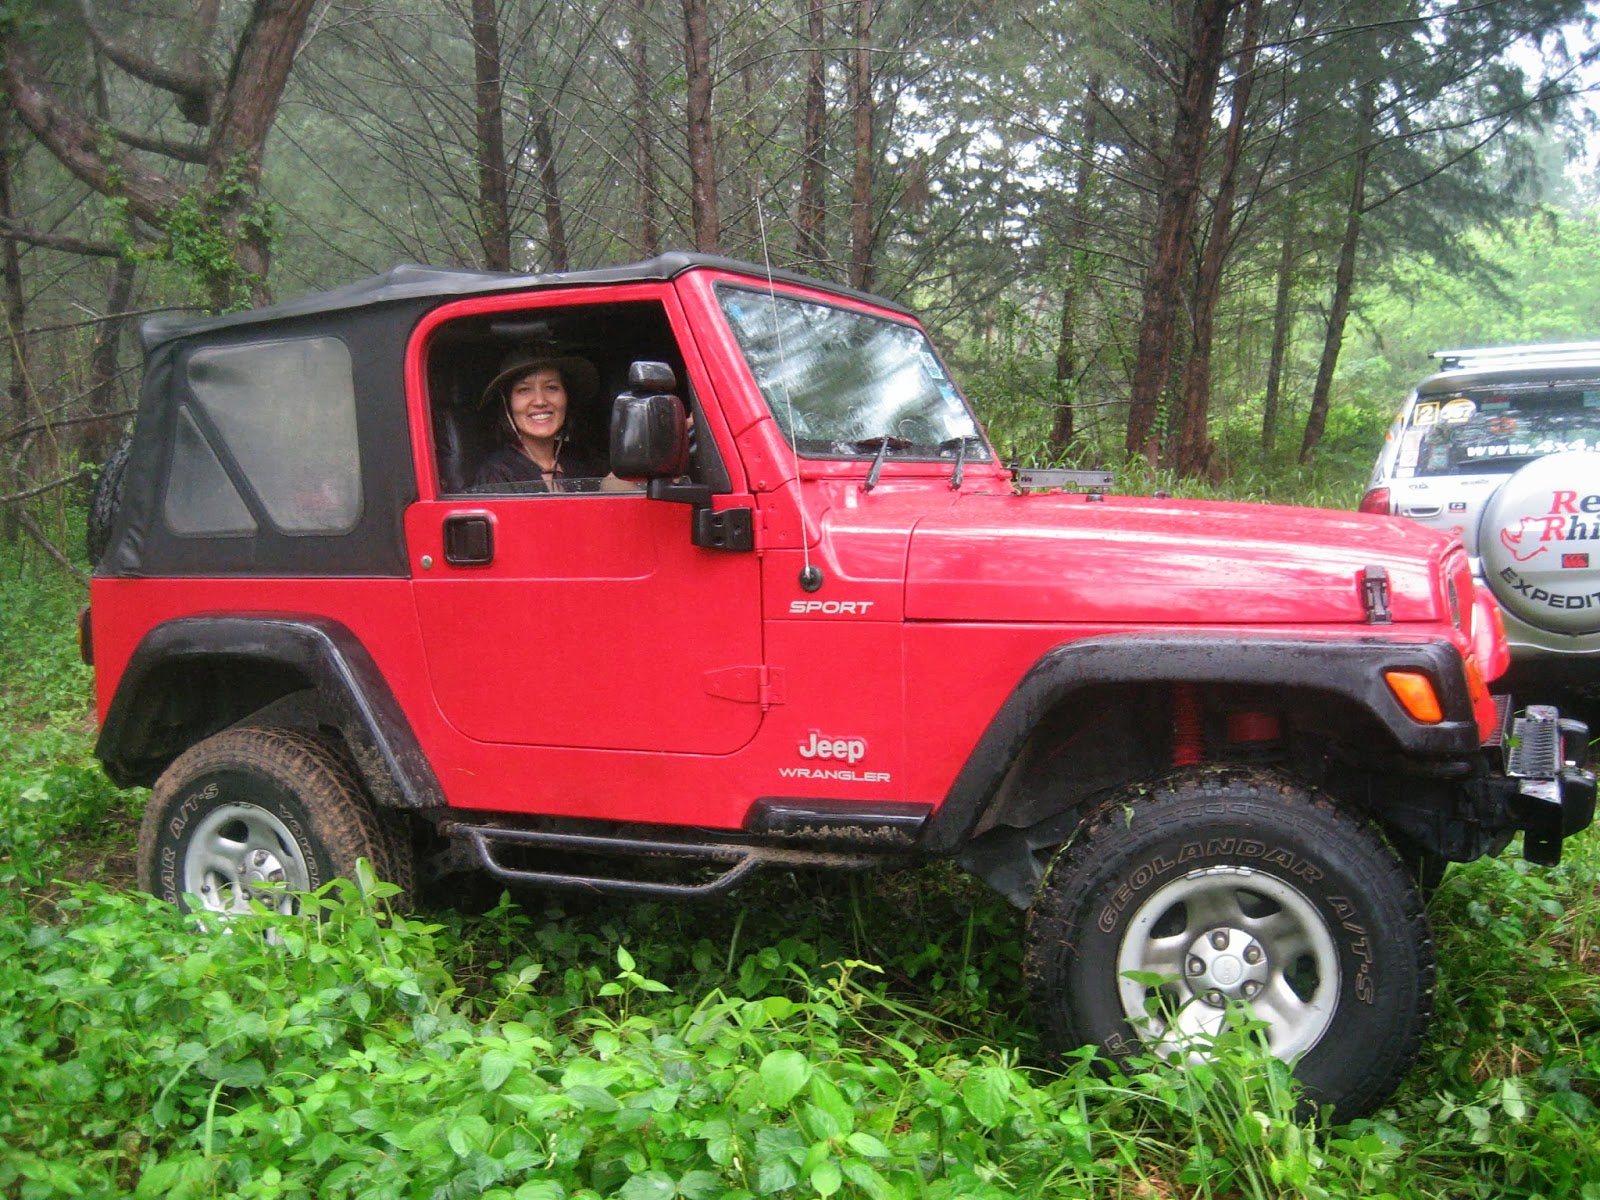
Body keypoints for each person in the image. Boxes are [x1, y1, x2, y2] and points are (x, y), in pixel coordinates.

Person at [474, 344, 606, 490]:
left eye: (551, 387)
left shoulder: (583, 460)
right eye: (524, 390)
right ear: (507, 404)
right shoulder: (497, 473)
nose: (540, 401)